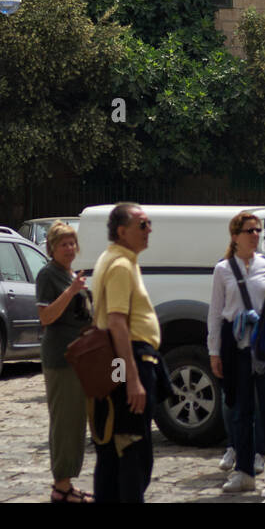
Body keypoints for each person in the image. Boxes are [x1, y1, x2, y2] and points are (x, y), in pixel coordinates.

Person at [90, 202, 169, 503]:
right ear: (122, 231)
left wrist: (120, 378)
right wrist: (131, 380)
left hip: (119, 360)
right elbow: (117, 324)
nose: (149, 230)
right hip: (130, 357)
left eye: (149, 224)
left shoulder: (114, 259)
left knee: (115, 448)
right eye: (142, 225)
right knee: (133, 448)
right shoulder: (121, 265)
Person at [208, 210, 265, 492]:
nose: (255, 235)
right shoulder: (223, 269)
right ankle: (244, 471)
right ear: (235, 236)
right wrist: (214, 352)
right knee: (240, 410)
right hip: (235, 347)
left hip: (264, 349)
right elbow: (215, 313)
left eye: (257, 230)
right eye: (249, 231)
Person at [35, 220, 93, 503]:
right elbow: (46, 317)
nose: (69, 248)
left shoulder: (71, 273)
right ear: (52, 248)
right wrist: (71, 292)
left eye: (72, 243)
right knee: (64, 422)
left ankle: (68, 482)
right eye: (63, 244)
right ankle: (61, 485)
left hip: (80, 358)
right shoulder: (49, 275)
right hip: (61, 358)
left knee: (76, 422)